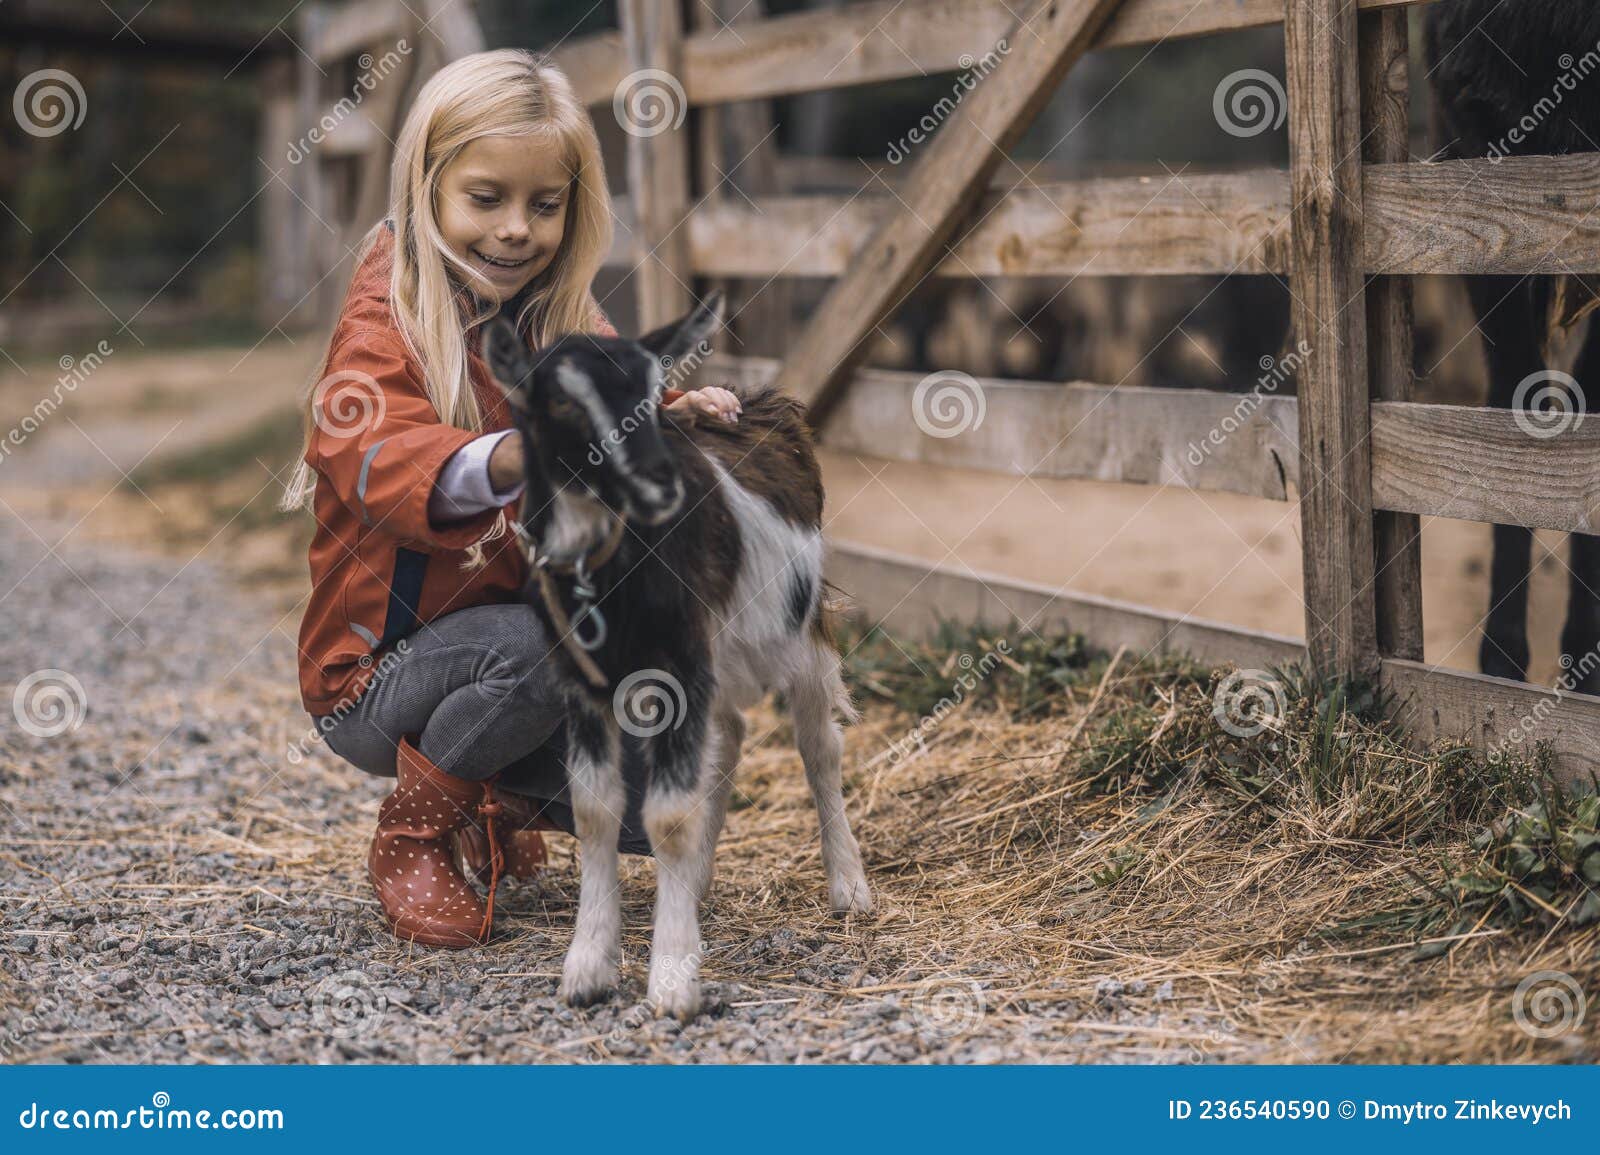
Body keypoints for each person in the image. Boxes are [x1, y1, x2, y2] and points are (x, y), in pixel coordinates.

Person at [279, 49, 741, 950]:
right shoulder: (387, 316)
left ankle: (485, 800)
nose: (517, 229)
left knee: (668, 797)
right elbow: (372, 452)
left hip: (499, 642)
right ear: (427, 187)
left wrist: (671, 409)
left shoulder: (552, 308)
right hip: (374, 671)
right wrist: (514, 457)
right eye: (486, 198)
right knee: (542, 645)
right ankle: (412, 833)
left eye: (545, 203)